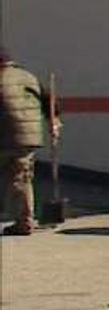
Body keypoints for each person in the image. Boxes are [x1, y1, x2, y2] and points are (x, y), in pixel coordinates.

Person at [1, 48, 57, 236]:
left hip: (5, 136)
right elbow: (51, 103)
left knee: (14, 179)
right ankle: (24, 222)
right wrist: (54, 122)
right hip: (28, 137)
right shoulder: (29, 76)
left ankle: (22, 221)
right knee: (22, 180)